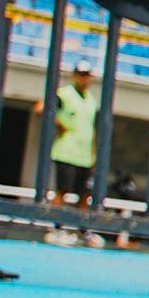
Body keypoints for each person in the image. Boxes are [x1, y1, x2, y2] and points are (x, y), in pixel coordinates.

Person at [50, 60, 99, 202]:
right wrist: (59, 124)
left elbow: (90, 127)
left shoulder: (90, 99)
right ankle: (53, 223)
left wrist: (93, 153)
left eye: (86, 75)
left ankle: (81, 224)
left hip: (84, 155)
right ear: (74, 76)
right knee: (62, 190)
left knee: (85, 194)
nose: (83, 78)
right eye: (81, 75)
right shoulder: (64, 94)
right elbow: (42, 107)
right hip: (66, 151)